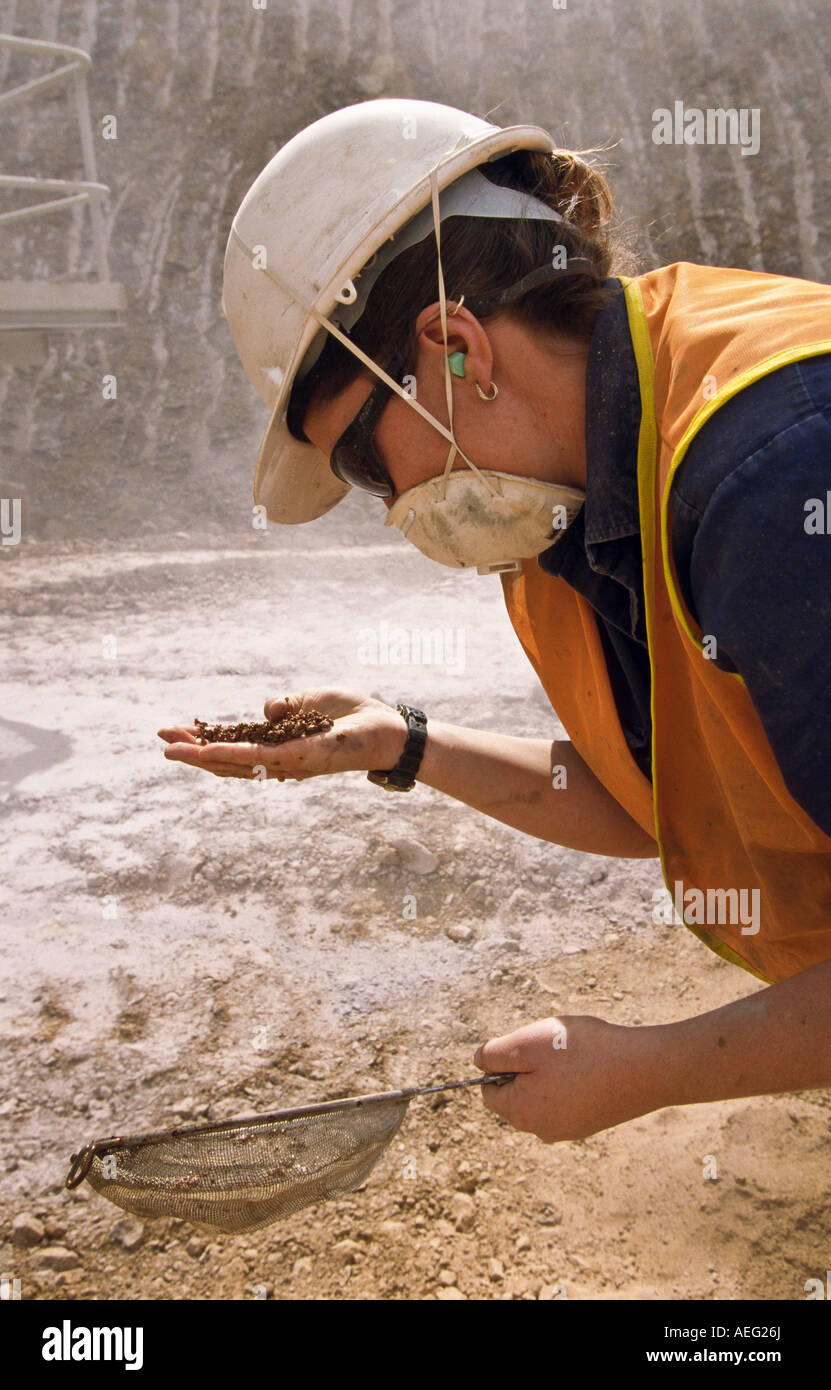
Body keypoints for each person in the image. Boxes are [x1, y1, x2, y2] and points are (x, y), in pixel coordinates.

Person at [159, 99, 831, 1145]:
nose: (386, 511)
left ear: (453, 345)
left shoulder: (773, 472)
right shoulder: (561, 521)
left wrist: (645, 1069)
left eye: (364, 464)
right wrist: (402, 743)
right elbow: (659, 794)